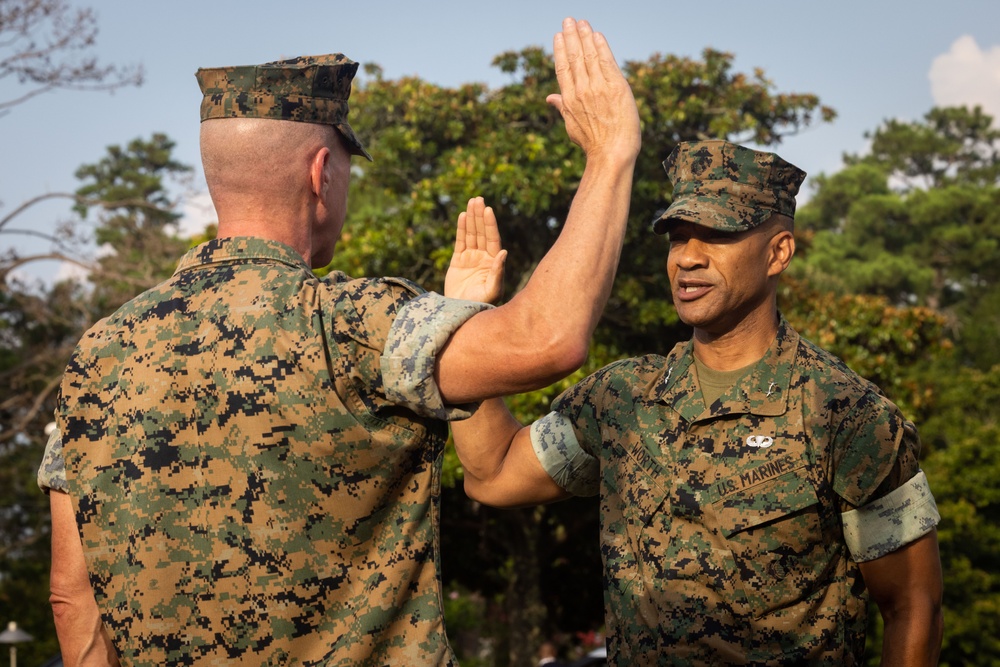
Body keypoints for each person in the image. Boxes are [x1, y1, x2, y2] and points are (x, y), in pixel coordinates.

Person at [37, 18, 641, 667]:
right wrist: (610, 155)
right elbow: (546, 339)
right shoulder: (353, 324)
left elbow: (73, 597)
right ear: (321, 173)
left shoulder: (98, 357)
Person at [452, 140, 945, 666]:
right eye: (678, 238)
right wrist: (468, 317)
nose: (688, 257)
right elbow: (493, 471)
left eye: (717, 235)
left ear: (778, 252)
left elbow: (914, 603)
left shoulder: (844, 413)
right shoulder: (623, 399)